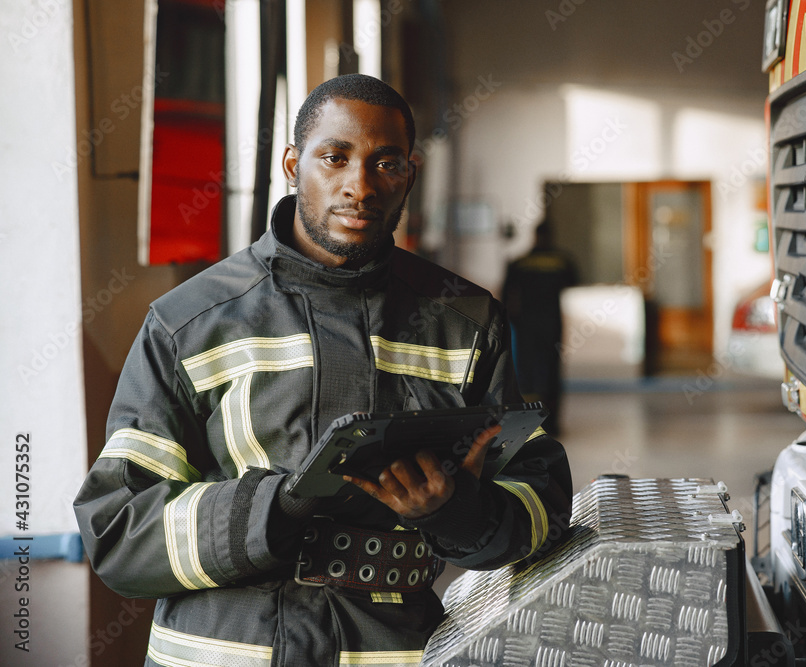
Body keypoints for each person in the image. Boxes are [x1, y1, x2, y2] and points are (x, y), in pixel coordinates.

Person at [74, 74, 572, 666]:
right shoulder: (190, 322)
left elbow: (543, 501)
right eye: (334, 158)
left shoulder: (462, 319)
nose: (359, 186)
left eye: (386, 164)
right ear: (292, 164)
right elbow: (117, 529)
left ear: (409, 175)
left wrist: (455, 511)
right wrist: (274, 509)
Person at [502, 220, 577, 436]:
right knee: (551, 373)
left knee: (527, 375)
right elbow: (573, 285)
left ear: (534, 236)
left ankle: (532, 425)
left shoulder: (520, 262)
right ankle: (553, 424)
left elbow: (506, 297)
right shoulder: (562, 262)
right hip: (552, 325)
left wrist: (513, 320)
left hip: (526, 327)